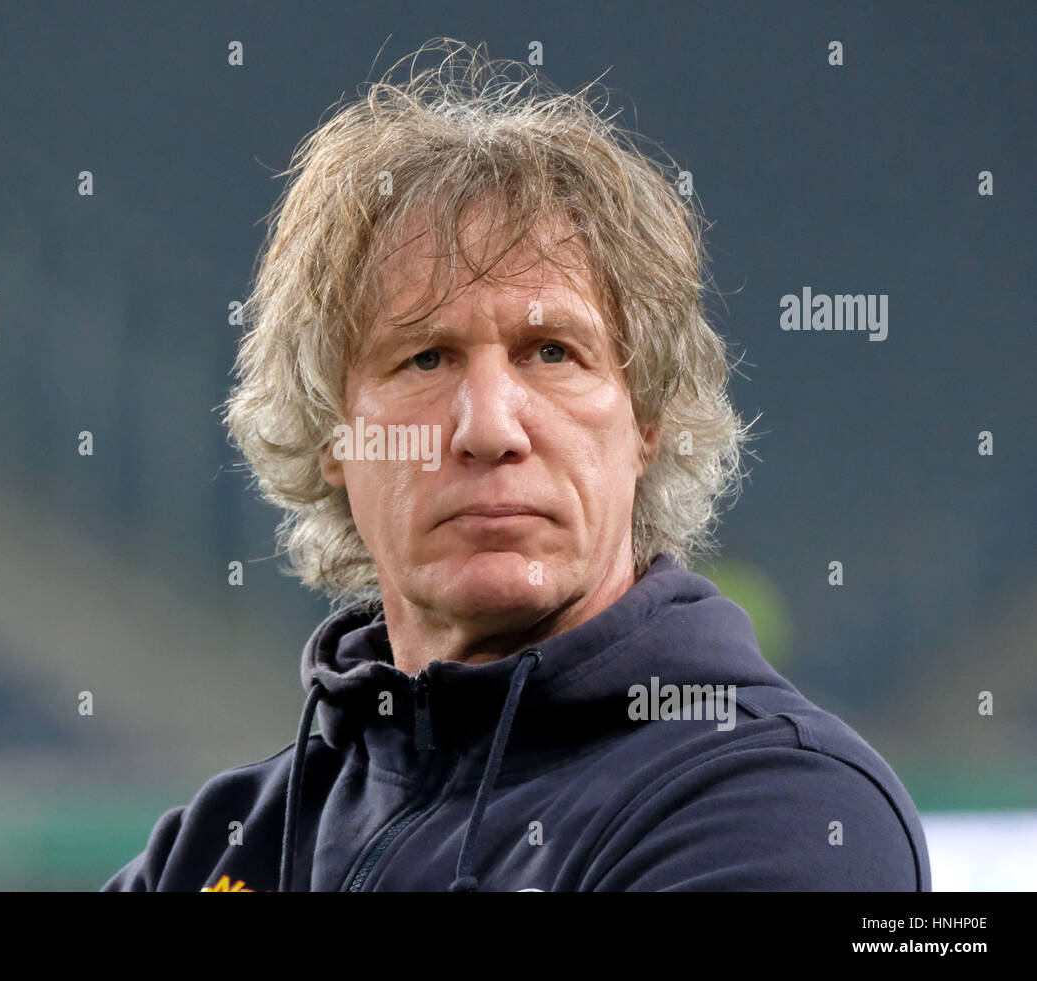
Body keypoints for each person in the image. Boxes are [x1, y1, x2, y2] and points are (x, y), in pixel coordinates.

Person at [103, 39, 930, 892]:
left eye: (550, 351)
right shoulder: (219, 848)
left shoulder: (786, 811)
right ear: (332, 438)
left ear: (647, 421)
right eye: (425, 358)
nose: (489, 425)